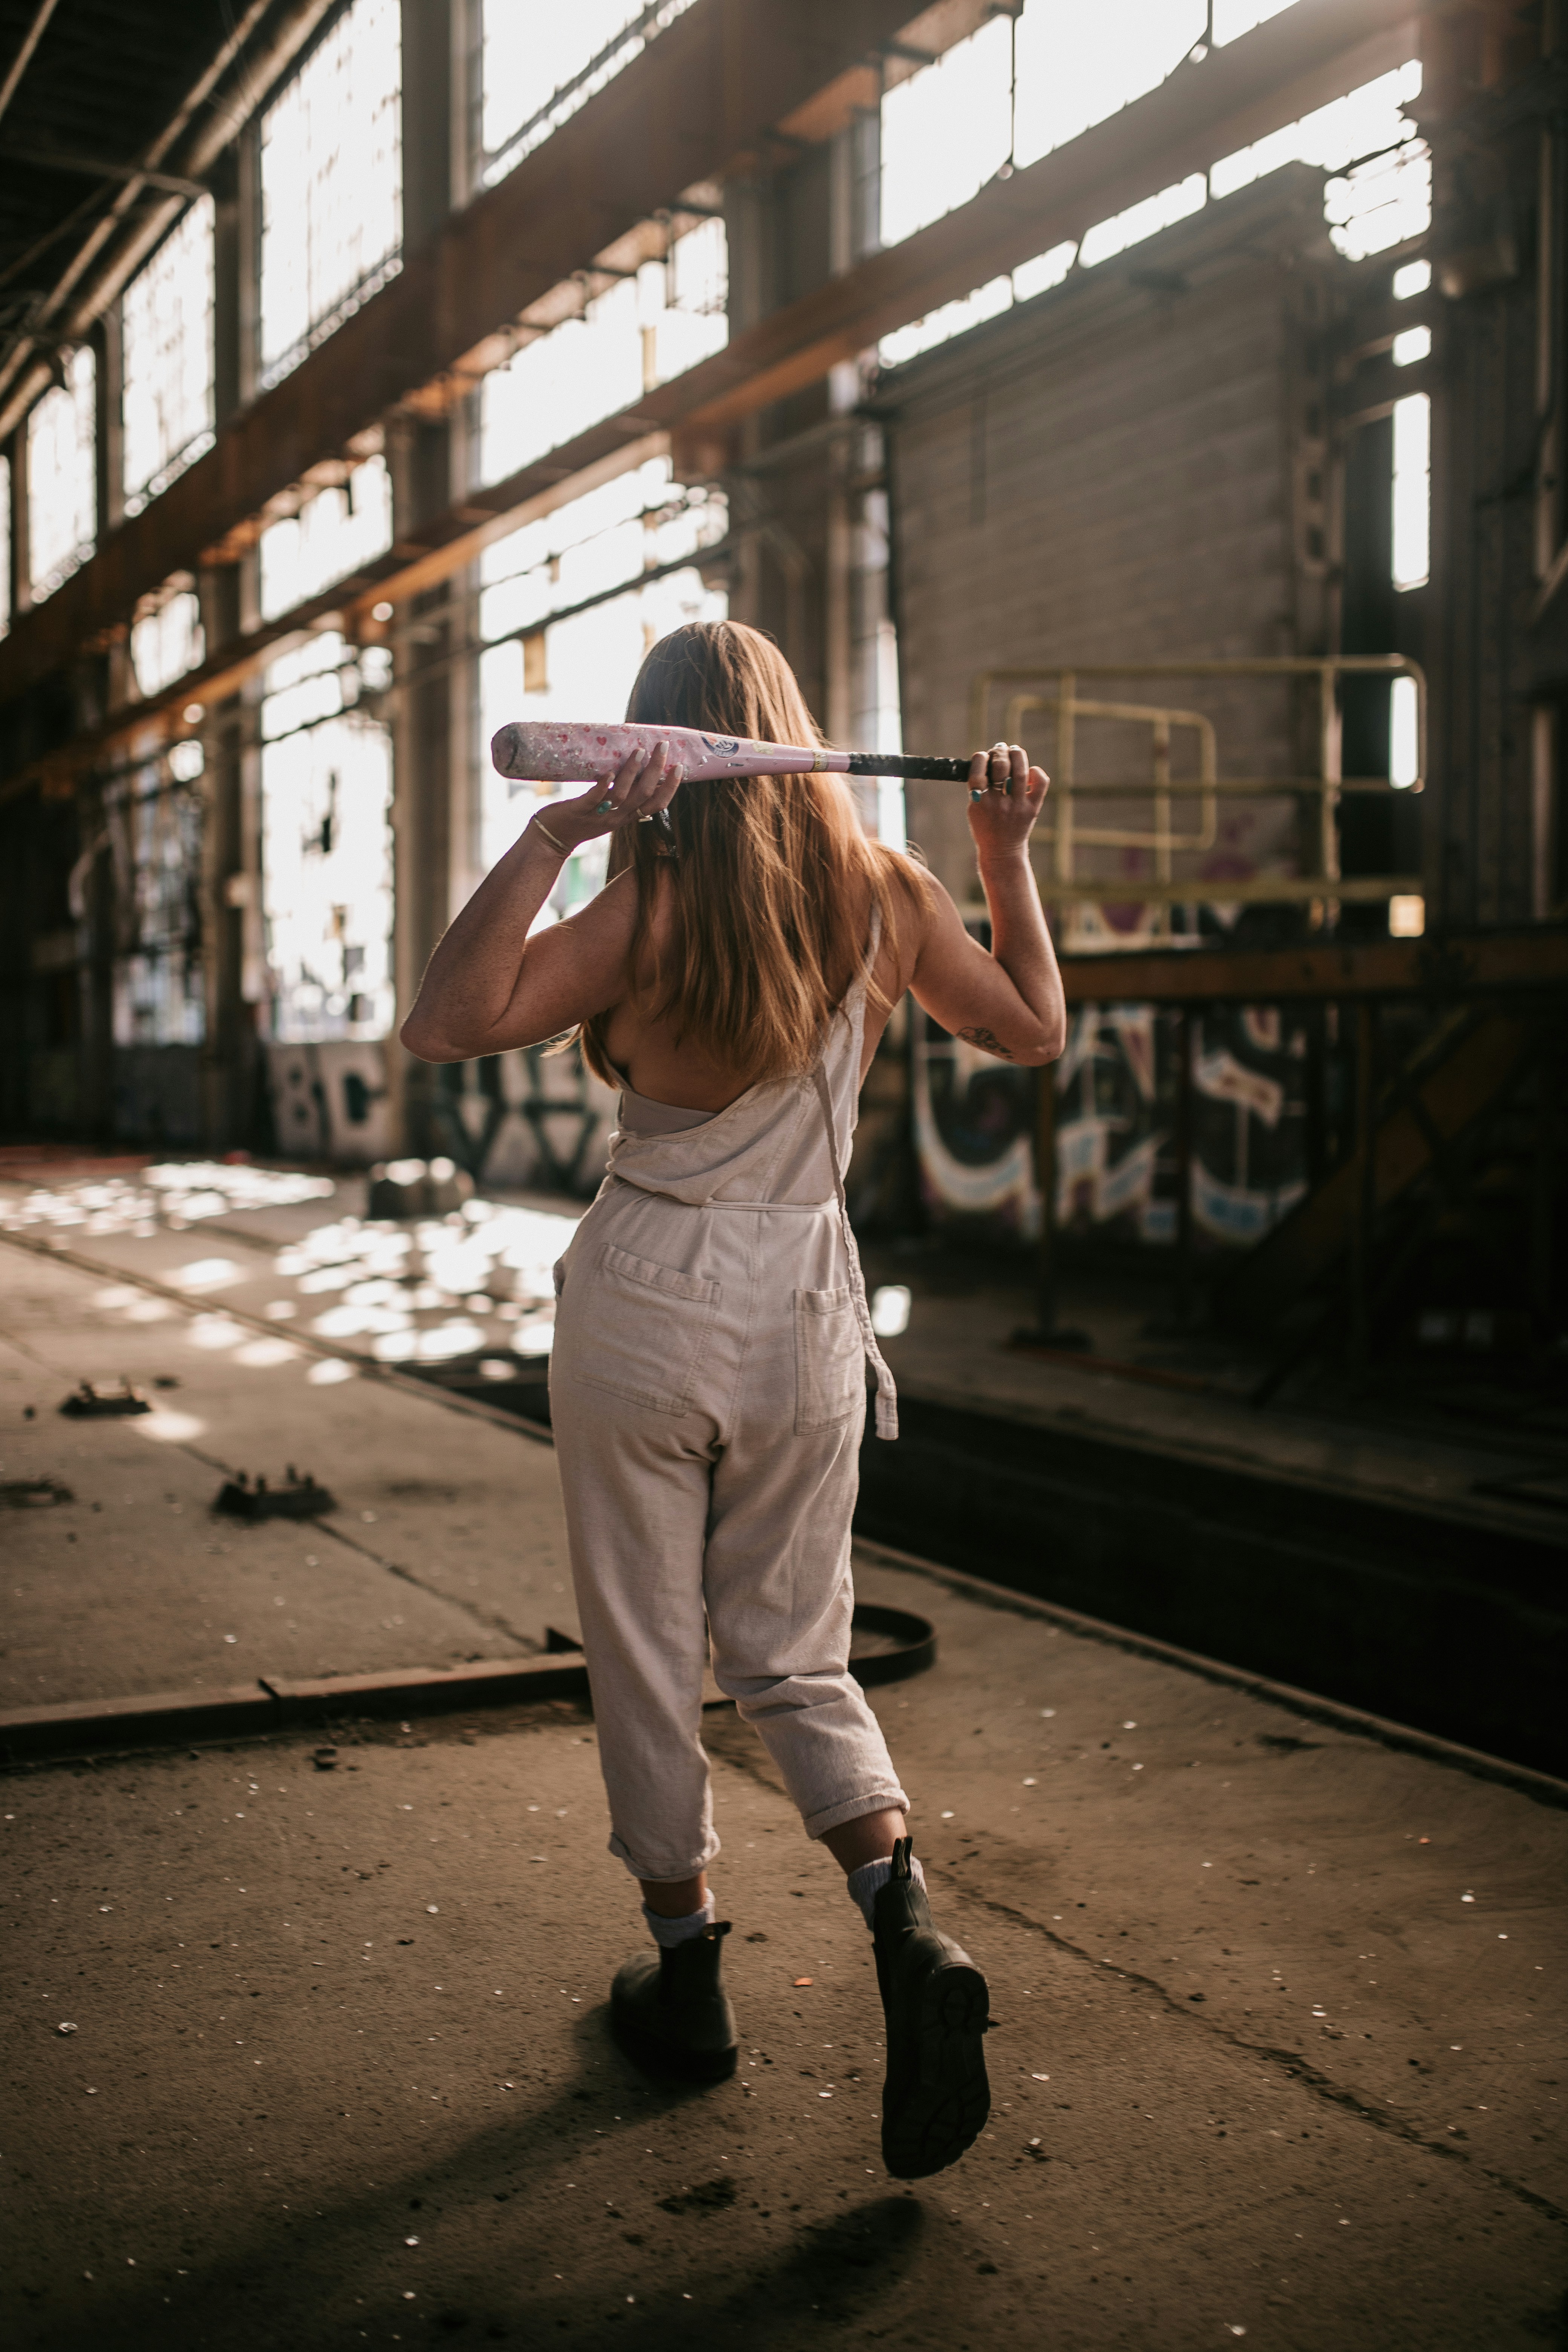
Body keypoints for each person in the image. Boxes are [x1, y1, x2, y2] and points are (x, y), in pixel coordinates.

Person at [401, 620, 1065, 2179]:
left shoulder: (643, 908)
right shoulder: (888, 900)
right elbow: (1033, 1031)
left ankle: (687, 1977)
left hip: (644, 1301)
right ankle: (902, 1927)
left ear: (655, 750)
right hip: (804, 1311)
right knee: (791, 1647)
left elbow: (445, 1022)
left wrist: (558, 835)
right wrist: (1001, 854)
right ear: (780, 726)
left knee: (647, 1649)